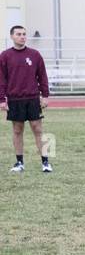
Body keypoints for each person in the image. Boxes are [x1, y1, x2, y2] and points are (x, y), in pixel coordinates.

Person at [0, 25, 51, 174]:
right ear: (12, 36)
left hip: (33, 98)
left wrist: (45, 95)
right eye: (18, 34)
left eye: (24, 34)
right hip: (15, 99)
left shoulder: (35, 54)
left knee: (38, 129)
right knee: (17, 130)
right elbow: (1, 79)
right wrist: (2, 99)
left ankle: (46, 162)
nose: (22, 36)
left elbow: (42, 76)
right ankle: (19, 163)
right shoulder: (5, 56)